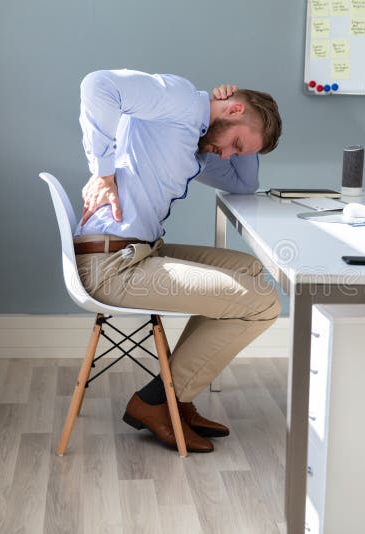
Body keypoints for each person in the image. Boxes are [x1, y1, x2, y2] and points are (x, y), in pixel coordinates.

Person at [75, 69, 282, 453]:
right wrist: (102, 174)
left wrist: (243, 140)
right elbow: (97, 85)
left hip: (135, 251)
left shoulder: (196, 142)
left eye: (238, 151)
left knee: (249, 269)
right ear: (233, 108)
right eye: (236, 143)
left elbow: (244, 184)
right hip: (112, 266)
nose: (228, 154)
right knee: (264, 304)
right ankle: (156, 401)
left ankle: (177, 397)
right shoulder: (181, 102)